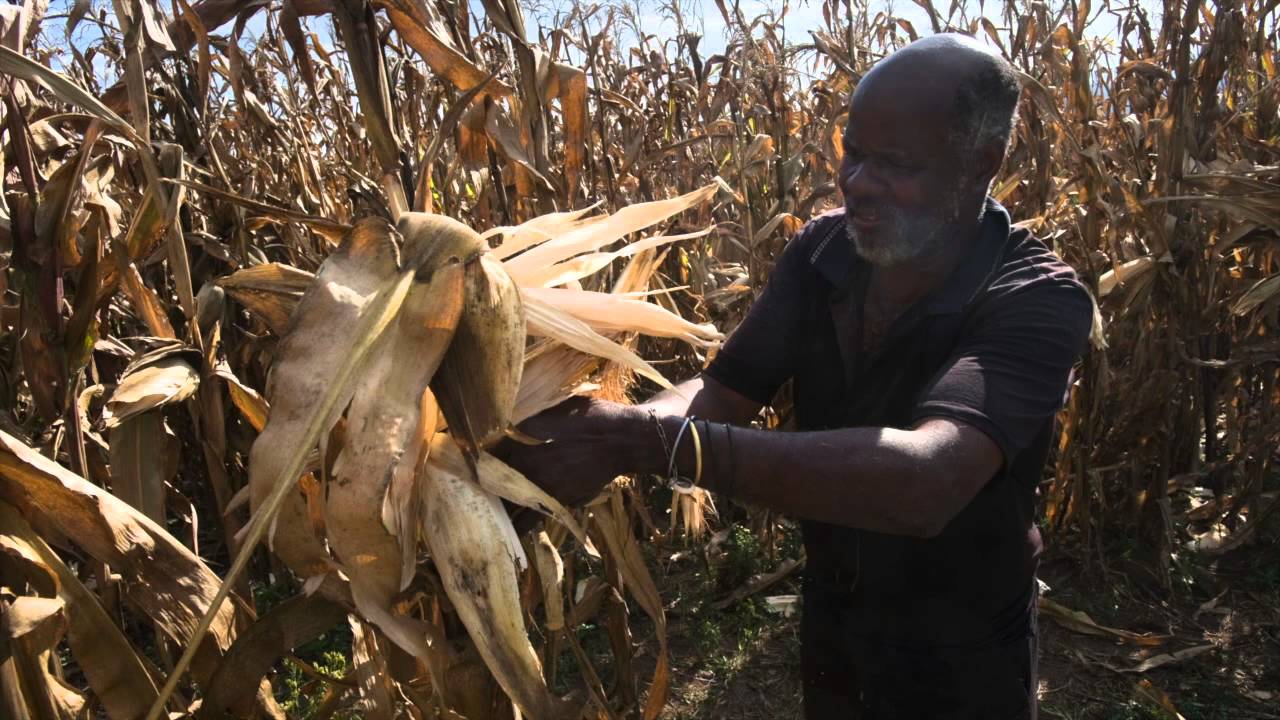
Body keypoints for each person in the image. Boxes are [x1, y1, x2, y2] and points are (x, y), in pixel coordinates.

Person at [501, 33, 1094, 719]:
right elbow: (723, 393)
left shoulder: (1035, 297)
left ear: (981, 163)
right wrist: (581, 427)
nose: (856, 183)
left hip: (961, 645)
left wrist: (636, 443)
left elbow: (927, 482)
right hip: (835, 618)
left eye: (895, 164)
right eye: (854, 153)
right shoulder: (826, 251)